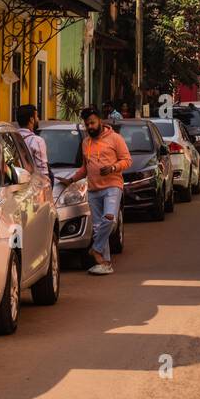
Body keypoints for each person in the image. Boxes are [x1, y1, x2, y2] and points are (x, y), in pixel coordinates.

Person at [66, 105, 132, 274]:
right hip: (93, 189)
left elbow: (127, 160)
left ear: (100, 121)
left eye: (92, 123)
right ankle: (105, 263)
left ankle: (95, 249)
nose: (90, 127)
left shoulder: (115, 138)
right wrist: (71, 179)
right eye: (87, 124)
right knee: (97, 227)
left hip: (112, 185)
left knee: (109, 219)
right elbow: (85, 168)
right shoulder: (86, 142)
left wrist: (112, 168)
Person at [15, 104, 50, 181]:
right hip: (32, 185)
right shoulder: (37, 141)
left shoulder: (12, 139)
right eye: (37, 117)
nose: (38, 119)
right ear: (31, 119)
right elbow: (43, 171)